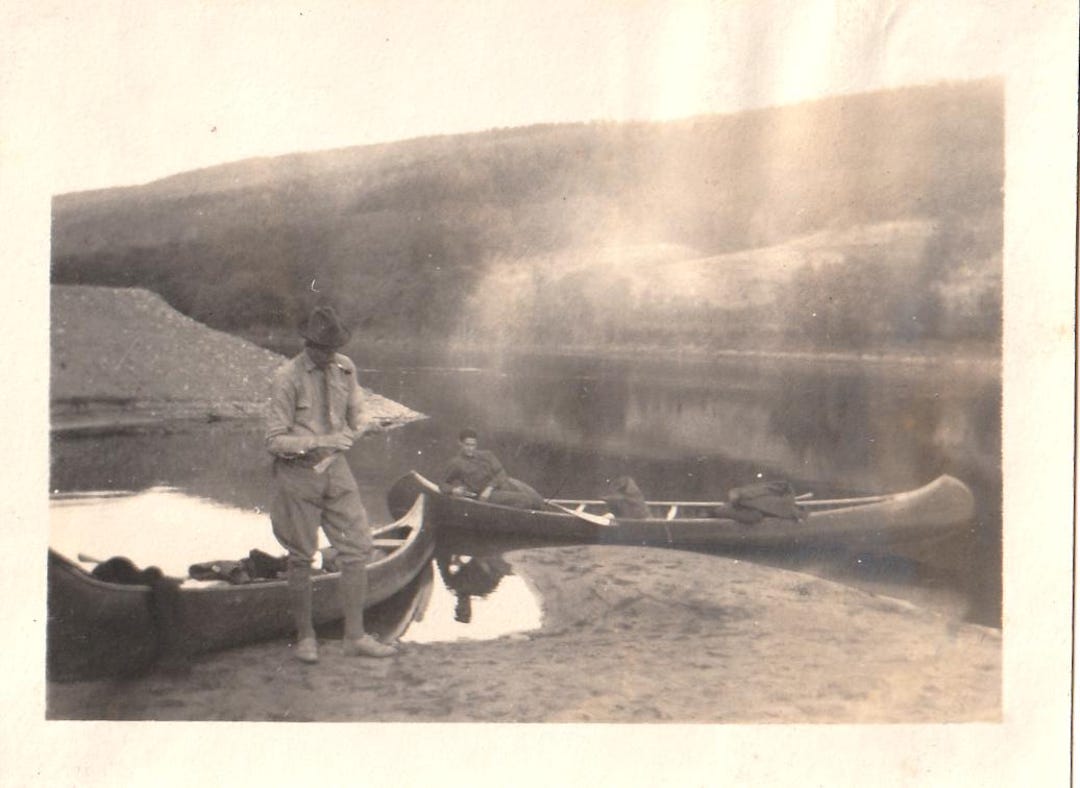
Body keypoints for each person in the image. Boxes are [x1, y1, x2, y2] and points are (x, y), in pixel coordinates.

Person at [265, 305, 396, 663]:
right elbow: (274, 440)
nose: (329, 355)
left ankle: (354, 636)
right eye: (323, 348)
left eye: (334, 348)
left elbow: (358, 408)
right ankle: (305, 637)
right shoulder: (286, 378)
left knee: (358, 547)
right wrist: (320, 442)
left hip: (336, 471)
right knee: (301, 556)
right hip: (297, 474)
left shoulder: (344, 367)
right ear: (308, 344)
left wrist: (362, 423)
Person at [440, 429, 545, 510]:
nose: (470, 448)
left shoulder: (487, 455)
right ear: (460, 443)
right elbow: (442, 484)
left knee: (538, 501)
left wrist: (489, 488)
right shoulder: (456, 463)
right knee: (525, 501)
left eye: (473, 445)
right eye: (467, 445)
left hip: (501, 485)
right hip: (487, 496)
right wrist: (453, 490)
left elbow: (501, 472)